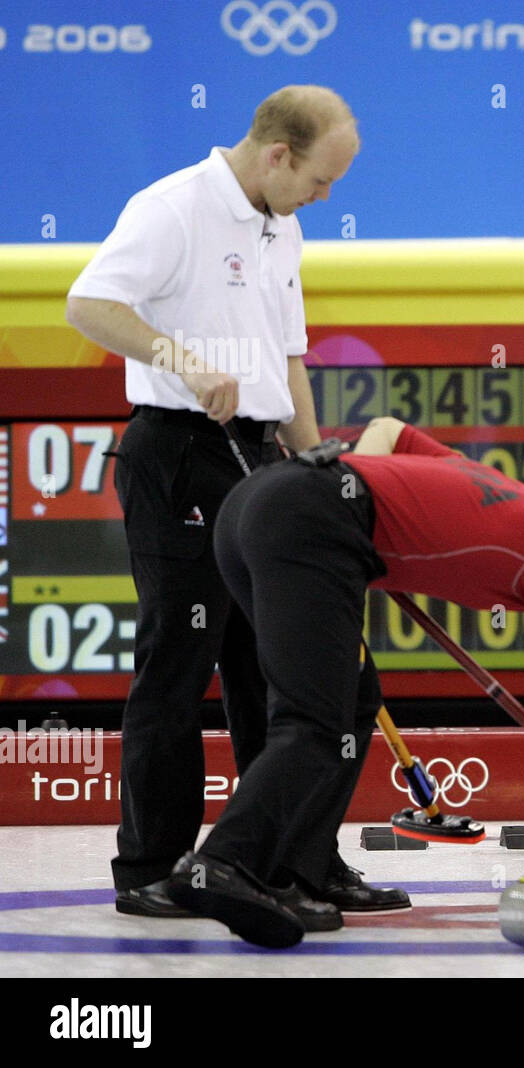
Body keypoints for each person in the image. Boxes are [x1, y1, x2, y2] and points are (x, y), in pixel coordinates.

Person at [64, 86, 402, 920]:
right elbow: (88, 303)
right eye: (321, 180)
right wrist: (179, 357)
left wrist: (315, 459)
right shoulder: (173, 207)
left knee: (286, 670)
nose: (327, 199)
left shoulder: (282, 223)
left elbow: (289, 355)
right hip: (179, 453)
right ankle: (151, 866)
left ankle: (288, 860)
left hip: (262, 458)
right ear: (279, 153)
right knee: (178, 665)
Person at [166, 418, 524, 947]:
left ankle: (296, 872)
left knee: (351, 700)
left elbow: (387, 430)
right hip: (308, 522)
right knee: (317, 717)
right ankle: (222, 863)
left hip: (258, 502)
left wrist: (359, 492)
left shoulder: (500, 488)